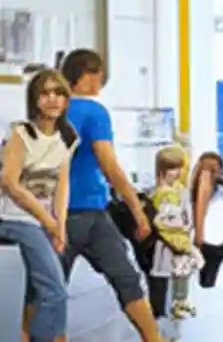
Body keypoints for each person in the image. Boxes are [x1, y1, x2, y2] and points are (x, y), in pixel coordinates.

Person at [57, 49, 165, 342]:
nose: (101, 81)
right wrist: (137, 210)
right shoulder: (93, 112)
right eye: (99, 75)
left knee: (50, 289)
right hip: (91, 213)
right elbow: (109, 165)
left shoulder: (51, 111)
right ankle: (154, 338)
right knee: (126, 279)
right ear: (86, 75)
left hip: (55, 214)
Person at [1, 70, 78, 342]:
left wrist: (61, 227)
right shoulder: (21, 134)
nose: (52, 99)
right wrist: (48, 221)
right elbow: (10, 184)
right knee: (55, 290)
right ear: (34, 100)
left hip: (43, 220)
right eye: (44, 94)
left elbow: (62, 186)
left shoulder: (67, 138)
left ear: (67, 100)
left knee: (39, 289)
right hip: (14, 218)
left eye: (58, 93)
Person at [149, 146, 203, 319]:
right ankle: (163, 309)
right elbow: (164, 221)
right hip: (169, 240)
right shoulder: (163, 193)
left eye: (179, 167)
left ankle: (179, 302)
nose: (177, 172)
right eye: (172, 168)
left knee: (182, 272)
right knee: (166, 275)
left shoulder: (180, 190)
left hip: (180, 237)